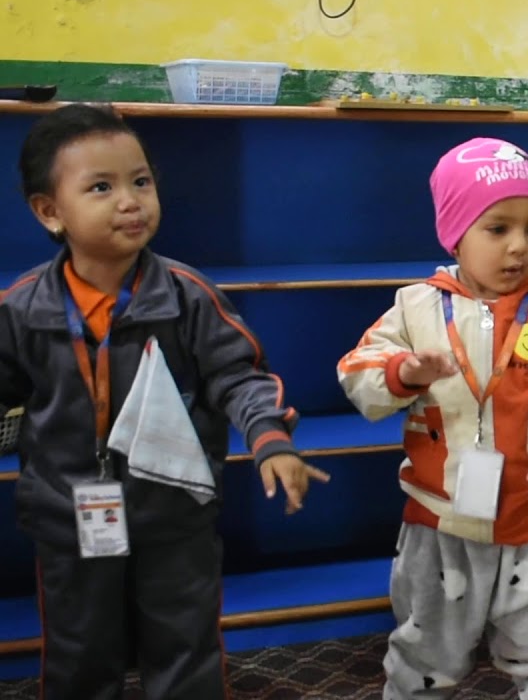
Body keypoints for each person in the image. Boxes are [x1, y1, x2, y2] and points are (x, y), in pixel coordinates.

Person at [0, 103, 327, 699]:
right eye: (101, 187)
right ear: (50, 212)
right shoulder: (21, 309)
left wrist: (270, 440)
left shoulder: (188, 295)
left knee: (184, 646)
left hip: (174, 517)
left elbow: (241, 375)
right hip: (69, 519)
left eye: (140, 181)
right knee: (77, 652)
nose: (130, 201)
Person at [337, 136, 528, 700]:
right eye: (498, 229)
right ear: (454, 231)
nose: (519, 247)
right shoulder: (414, 308)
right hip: (438, 527)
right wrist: (404, 372)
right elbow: (358, 374)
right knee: (424, 654)